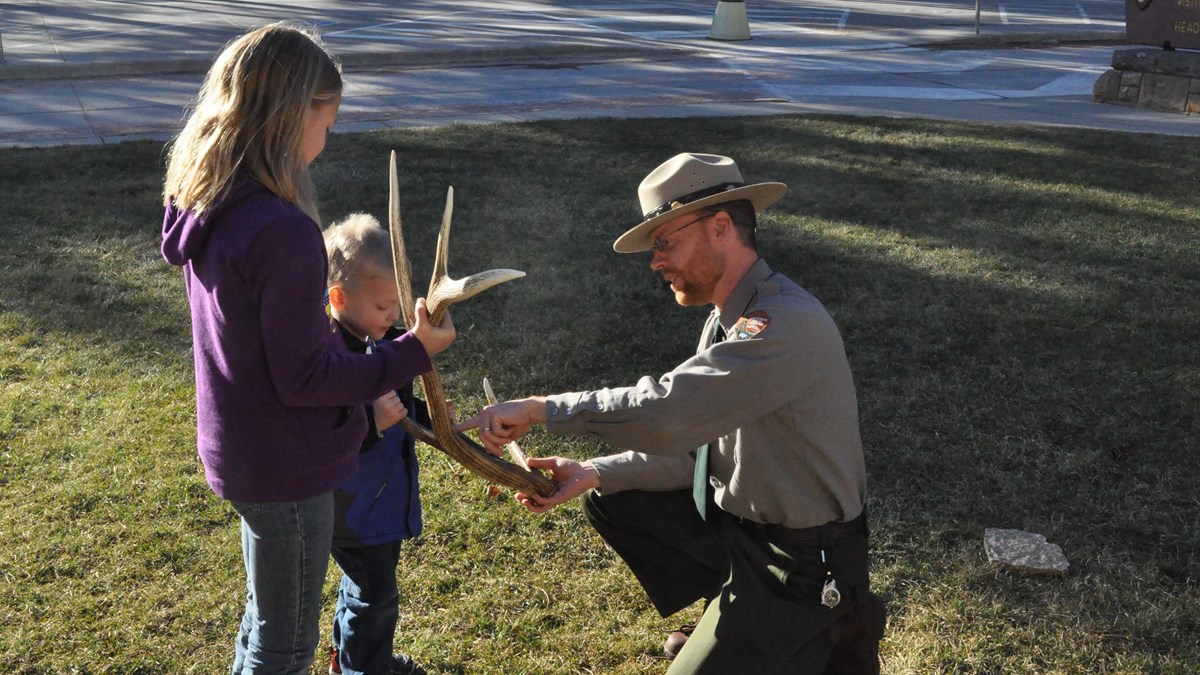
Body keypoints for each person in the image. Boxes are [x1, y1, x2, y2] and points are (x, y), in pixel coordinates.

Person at [460, 153, 885, 674]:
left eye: (665, 242)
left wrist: (540, 409)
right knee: (613, 496)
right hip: (745, 540)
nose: (656, 261)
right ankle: (739, 622)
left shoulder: (783, 324)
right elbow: (697, 453)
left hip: (803, 565)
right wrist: (593, 472)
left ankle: (829, 627)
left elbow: (667, 413)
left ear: (721, 227)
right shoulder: (725, 321)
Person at [160, 23, 454, 674]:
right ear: (293, 117)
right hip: (287, 462)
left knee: (265, 623)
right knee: (285, 647)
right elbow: (308, 376)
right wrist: (413, 350)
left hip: (243, 449)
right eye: (326, 121)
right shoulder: (283, 230)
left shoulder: (205, 202)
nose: (327, 139)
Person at [322, 214, 431, 675]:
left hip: (379, 501)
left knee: (363, 585)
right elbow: (322, 433)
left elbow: (406, 409)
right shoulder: (327, 357)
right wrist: (372, 424)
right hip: (351, 507)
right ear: (339, 298)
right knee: (376, 594)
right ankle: (366, 669)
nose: (395, 318)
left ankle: (350, 659)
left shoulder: (374, 342)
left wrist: (460, 426)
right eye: (385, 307)